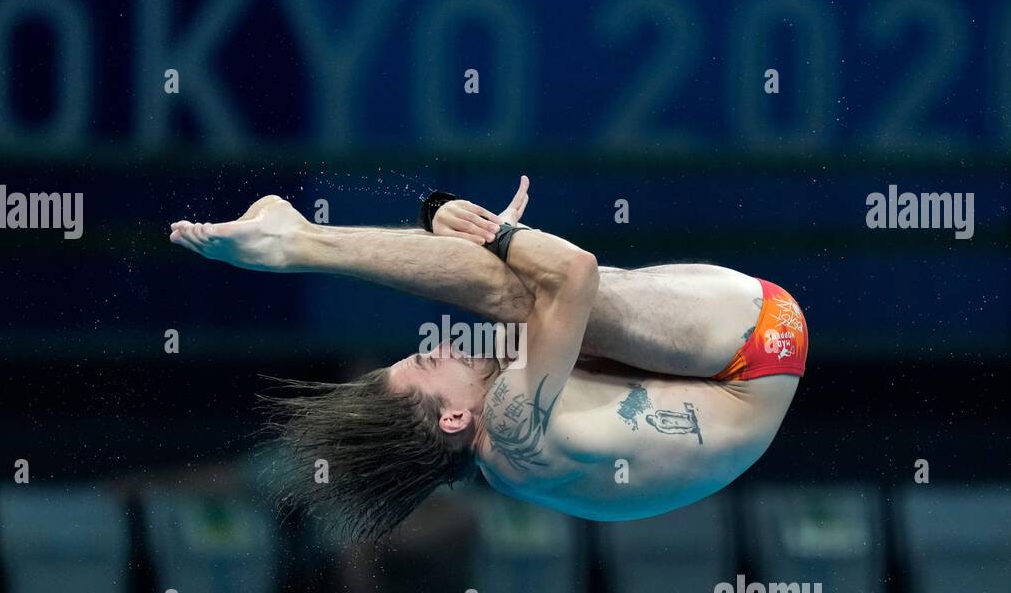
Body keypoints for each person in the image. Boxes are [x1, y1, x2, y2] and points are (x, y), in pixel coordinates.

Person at [168, 177, 807, 541]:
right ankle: (297, 244)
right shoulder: (508, 418)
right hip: (751, 350)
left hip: (729, 365)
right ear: (450, 419)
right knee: (514, 288)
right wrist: (472, 224)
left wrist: (487, 238)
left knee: (515, 294)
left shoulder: (504, 456)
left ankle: (299, 239)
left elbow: (553, 291)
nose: (435, 347)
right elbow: (573, 274)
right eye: (423, 365)